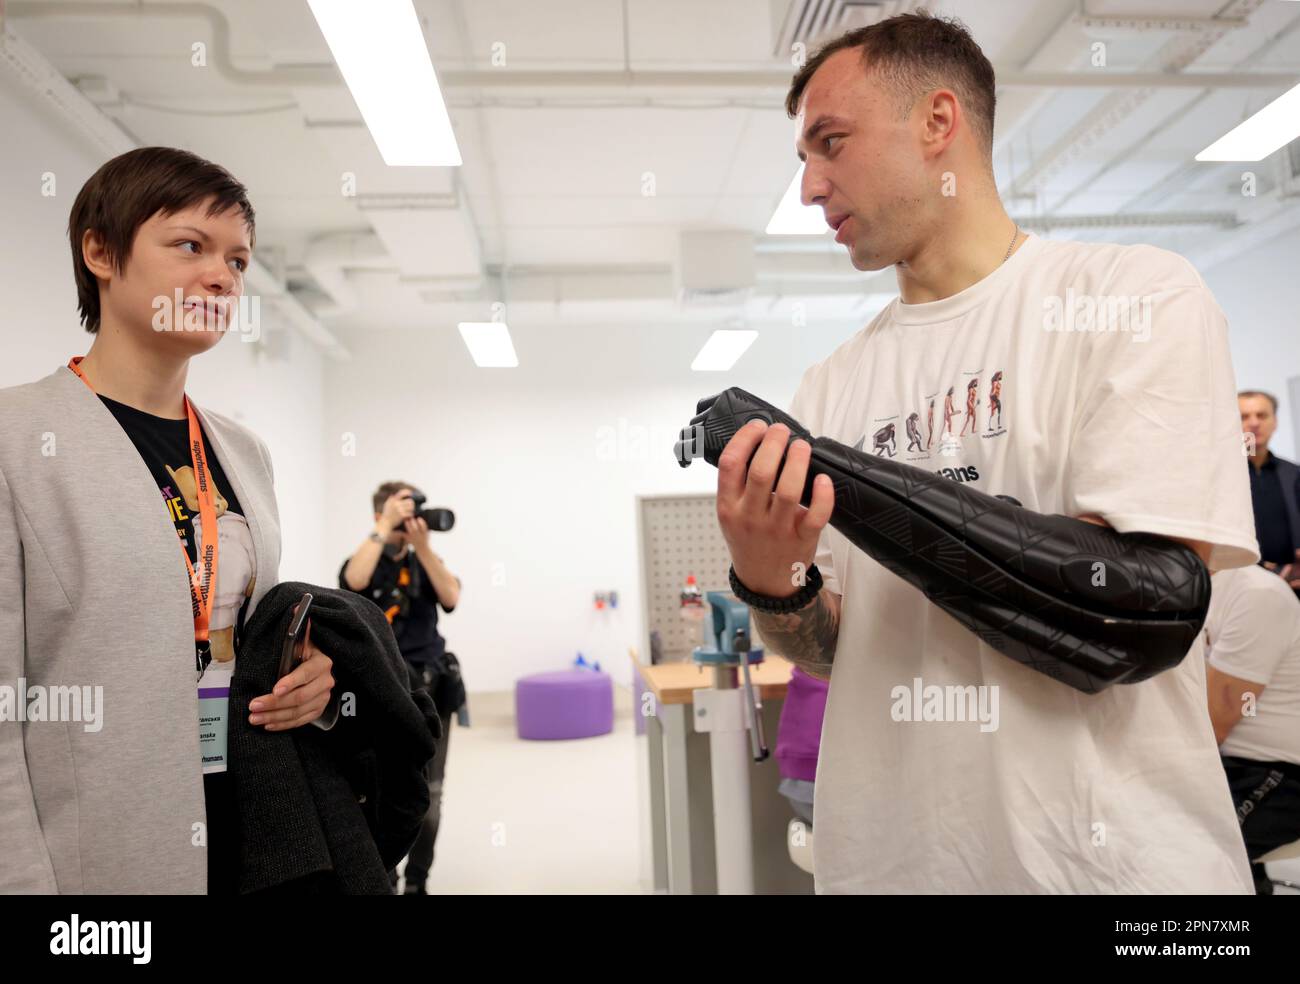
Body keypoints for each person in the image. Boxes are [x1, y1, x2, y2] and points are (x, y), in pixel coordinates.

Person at [713, 13, 1259, 892]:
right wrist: (774, 582)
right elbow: (839, 652)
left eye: (832, 143)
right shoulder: (832, 385)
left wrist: (871, 501)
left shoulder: (1132, 299)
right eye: (803, 160)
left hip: (1113, 876)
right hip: (892, 867)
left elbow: (1129, 615)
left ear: (938, 123)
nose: (811, 187)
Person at [0, 146, 336, 894]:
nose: (222, 276)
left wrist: (304, 684)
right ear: (101, 252)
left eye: (239, 261)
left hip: (246, 832)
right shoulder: (16, 439)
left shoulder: (242, 451)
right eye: (190, 245)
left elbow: (227, 638)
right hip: (97, 858)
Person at [340, 482, 462, 894]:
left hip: (430, 688)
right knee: (377, 790)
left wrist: (423, 548)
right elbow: (353, 581)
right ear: (380, 514)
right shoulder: (366, 559)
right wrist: (384, 527)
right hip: (380, 690)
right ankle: (384, 879)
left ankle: (417, 882)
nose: (407, 522)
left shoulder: (426, 562)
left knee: (430, 793)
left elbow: (451, 596)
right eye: (399, 513)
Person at [1204, 564, 1300, 894]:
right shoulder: (1186, 588)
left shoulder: (1257, 596)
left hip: (1279, 774)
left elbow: (1214, 724)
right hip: (1226, 764)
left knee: (1187, 851)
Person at [1240, 390, 1300, 598]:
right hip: (1242, 588)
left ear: (1275, 422)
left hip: (1293, 587)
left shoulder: (1294, 473)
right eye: (1244, 416)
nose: (1254, 423)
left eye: (1262, 415)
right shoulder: (1222, 476)